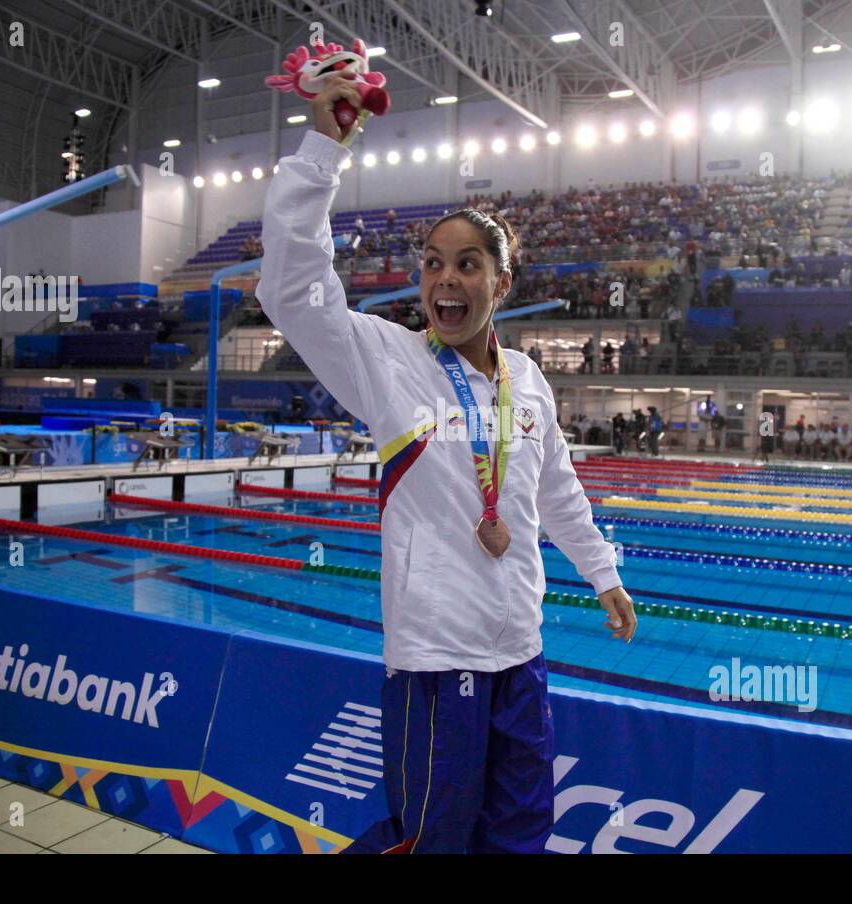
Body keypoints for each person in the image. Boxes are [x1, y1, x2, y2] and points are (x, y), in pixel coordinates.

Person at [255, 75, 637, 854]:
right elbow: (293, 288)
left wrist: (603, 573)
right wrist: (324, 148)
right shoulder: (386, 362)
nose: (445, 280)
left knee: (522, 834)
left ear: (502, 282)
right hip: (436, 661)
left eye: (467, 265)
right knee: (433, 838)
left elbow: (555, 491)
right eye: (432, 264)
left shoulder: (526, 379)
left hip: (520, 654)